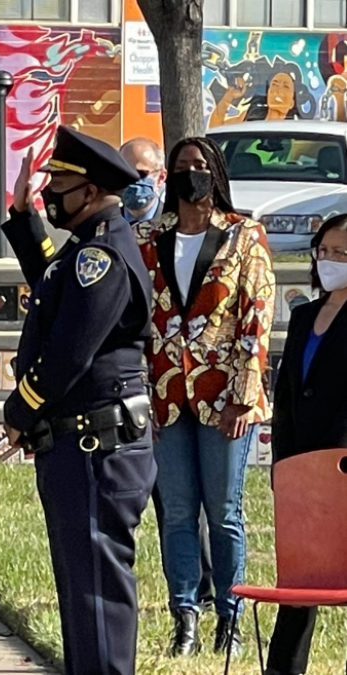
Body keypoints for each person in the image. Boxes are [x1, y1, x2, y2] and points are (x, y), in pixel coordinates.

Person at [1, 126, 155, 675]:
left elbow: (70, 348)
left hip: (98, 447)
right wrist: (24, 221)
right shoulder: (88, 250)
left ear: (88, 193)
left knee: (96, 604)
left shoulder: (102, 256)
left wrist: (20, 409)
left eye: (59, 186)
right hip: (86, 448)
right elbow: (52, 283)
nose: (51, 196)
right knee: (82, 597)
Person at [136, 137, 275, 657]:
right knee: (175, 511)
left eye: (199, 166)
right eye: (180, 168)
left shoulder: (244, 235)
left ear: (215, 173)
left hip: (226, 400)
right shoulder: (150, 236)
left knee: (224, 510)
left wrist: (244, 394)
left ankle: (230, 620)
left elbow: (255, 319)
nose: (190, 174)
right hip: (167, 395)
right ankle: (185, 619)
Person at [119, 137, 216, 612]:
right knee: (162, 505)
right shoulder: (113, 233)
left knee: (187, 502)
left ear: (161, 176)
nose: (137, 184)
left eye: (145, 173)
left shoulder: (176, 230)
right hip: (133, 388)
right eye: (127, 173)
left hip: (184, 388)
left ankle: (203, 591)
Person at [265, 215, 347, 675]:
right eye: (324, 251)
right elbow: (289, 396)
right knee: (298, 585)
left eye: (342, 253)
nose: (330, 260)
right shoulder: (302, 317)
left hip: (341, 469)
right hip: (299, 473)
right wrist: (285, 466)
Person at [118, 137, 166, 225]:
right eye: (124, 172)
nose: (131, 178)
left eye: (140, 173)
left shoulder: (178, 226)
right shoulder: (103, 226)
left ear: (160, 178)